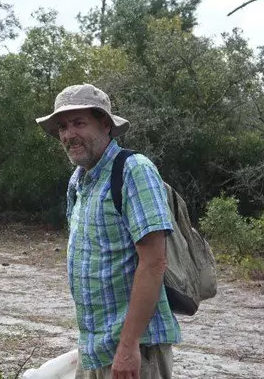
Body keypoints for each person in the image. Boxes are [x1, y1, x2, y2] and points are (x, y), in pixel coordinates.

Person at [35, 84, 180, 379]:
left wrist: (128, 347)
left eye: (79, 123)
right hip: (95, 348)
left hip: (135, 350)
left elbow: (153, 263)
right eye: (62, 126)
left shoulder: (133, 170)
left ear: (105, 125)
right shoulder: (78, 181)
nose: (68, 134)